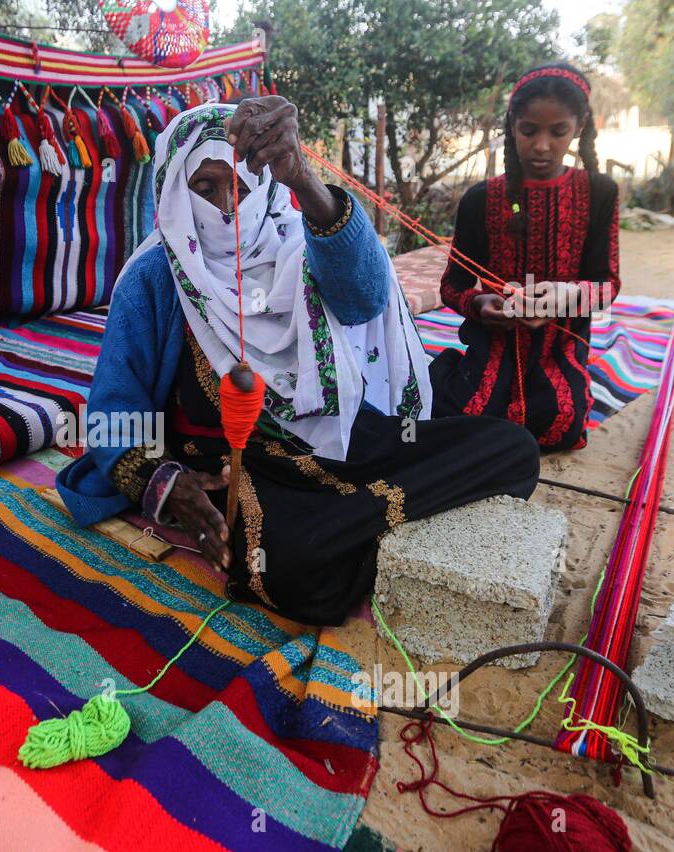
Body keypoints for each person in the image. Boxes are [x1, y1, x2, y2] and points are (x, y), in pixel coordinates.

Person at [56, 98, 540, 625]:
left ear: (264, 186)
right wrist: (168, 485)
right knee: (295, 572)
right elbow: (114, 408)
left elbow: (364, 299)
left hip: (341, 438)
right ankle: (362, 527)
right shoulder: (152, 277)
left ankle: (350, 528)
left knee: (515, 448)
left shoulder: (298, 238)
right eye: (205, 188)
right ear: (173, 192)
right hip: (240, 470)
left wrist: (304, 180)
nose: (227, 207)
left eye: (240, 186)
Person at [431, 62, 622, 451]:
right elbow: (453, 286)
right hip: (496, 341)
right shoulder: (480, 199)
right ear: (512, 124)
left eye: (559, 132)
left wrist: (563, 299)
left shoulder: (600, 192)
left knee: (560, 423)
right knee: (471, 416)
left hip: (560, 344)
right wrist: (481, 303)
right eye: (529, 130)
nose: (542, 146)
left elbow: (607, 287)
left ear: (580, 126)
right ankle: (451, 368)